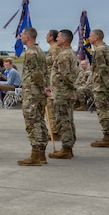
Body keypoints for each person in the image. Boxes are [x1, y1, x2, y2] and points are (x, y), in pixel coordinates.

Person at [16, 27, 50, 166]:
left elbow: (36, 74)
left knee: (32, 123)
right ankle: (41, 154)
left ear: (27, 37)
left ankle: (35, 155)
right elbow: (45, 72)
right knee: (39, 122)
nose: (20, 37)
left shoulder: (30, 52)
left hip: (32, 92)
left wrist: (41, 87)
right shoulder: (39, 50)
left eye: (22, 35)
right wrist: (46, 87)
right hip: (39, 92)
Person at [48, 30, 78, 159]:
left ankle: (66, 148)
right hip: (66, 93)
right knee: (68, 120)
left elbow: (67, 76)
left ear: (64, 39)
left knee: (63, 121)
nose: (57, 39)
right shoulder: (69, 53)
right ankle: (68, 147)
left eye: (59, 37)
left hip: (62, 93)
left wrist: (68, 88)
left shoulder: (64, 55)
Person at [88, 30, 109, 147]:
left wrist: (108, 83)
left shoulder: (99, 50)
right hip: (107, 84)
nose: (89, 38)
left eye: (90, 36)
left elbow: (102, 68)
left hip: (102, 85)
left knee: (103, 111)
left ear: (96, 37)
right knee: (108, 110)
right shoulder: (107, 48)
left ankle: (108, 137)